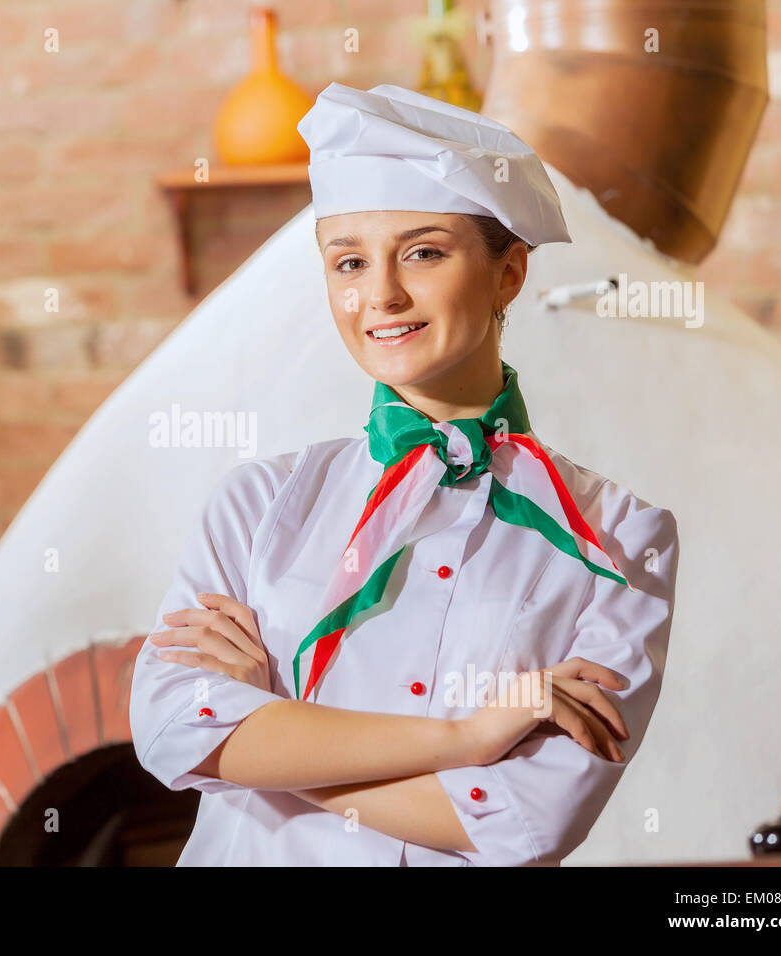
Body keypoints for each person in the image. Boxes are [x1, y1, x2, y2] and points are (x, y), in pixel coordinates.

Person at [128, 82, 679, 866]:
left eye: (423, 252)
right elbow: (173, 730)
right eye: (349, 262)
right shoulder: (255, 504)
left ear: (509, 275)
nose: (380, 294)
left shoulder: (622, 538)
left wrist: (270, 737)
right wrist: (465, 737)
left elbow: (525, 825)